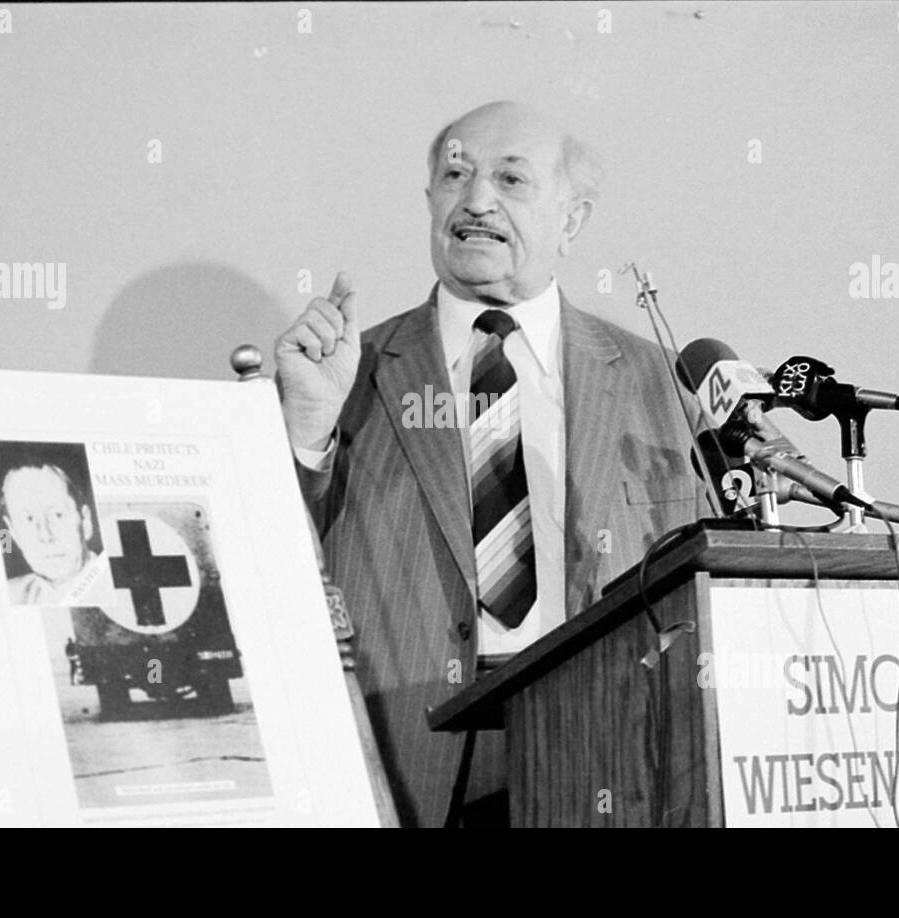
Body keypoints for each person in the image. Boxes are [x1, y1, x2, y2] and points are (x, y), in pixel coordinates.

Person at [275, 101, 708, 827]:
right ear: (429, 201)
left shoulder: (658, 380)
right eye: (455, 175)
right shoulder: (347, 374)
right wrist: (306, 431)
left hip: (609, 750)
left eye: (511, 179)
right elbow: (265, 571)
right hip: (405, 752)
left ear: (571, 220)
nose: (476, 200)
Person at [0, 460, 110, 606]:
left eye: (57, 515)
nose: (45, 536)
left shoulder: (114, 585)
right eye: (29, 519)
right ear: (13, 533)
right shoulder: (8, 595)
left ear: (85, 521)